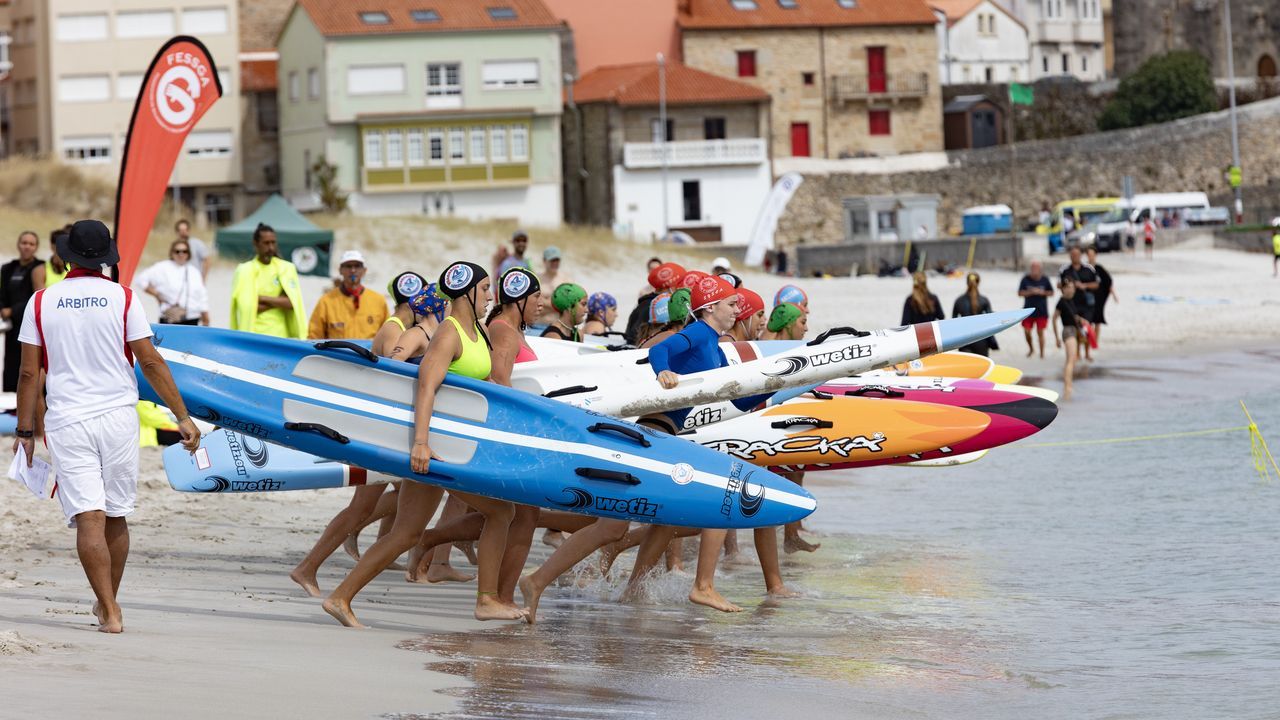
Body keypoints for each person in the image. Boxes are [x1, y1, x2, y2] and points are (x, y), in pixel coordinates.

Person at [13, 219, 200, 634]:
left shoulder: (41, 302)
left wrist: (25, 433)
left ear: (65, 256)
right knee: (116, 514)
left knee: (89, 517)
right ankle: (109, 603)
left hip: (68, 420)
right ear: (106, 259)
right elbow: (150, 361)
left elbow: (29, 375)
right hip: (117, 417)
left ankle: (110, 609)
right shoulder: (124, 298)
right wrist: (182, 416)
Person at [324, 262, 527, 628]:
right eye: (484, 290)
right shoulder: (449, 332)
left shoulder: (478, 331)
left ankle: (341, 597)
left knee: (407, 533)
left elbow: (489, 381)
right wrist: (420, 442)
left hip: (452, 445)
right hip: (437, 447)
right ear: (466, 291)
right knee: (501, 513)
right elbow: (426, 385)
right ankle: (486, 601)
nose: (489, 298)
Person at [289, 273, 434, 598]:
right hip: (379, 433)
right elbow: (387, 377)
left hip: (385, 432)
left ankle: (337, 557)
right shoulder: (397, 330)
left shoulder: (395, 325)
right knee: (361, 508)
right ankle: (308, 568)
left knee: (395, 499)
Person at [230, 223, 306, 338]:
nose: (270, 247)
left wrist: (262, 298)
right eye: (266, 243)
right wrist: (279, 300)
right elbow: (246, 307)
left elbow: (292, 303)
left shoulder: (286, 268)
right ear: (256, 244)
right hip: (254, 336)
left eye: (273, 242)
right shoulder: (245, 270)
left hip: (281, 336)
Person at [306, 250, 388, 340]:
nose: (353, 270)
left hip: (368, 353)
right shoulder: (326, 301)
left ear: (364, 271)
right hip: (337, 354)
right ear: (340, 270)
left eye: (357, 266)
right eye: (348, 266)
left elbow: (387, 334)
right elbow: (314, 337)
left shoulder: (378, 300)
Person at [1, 231, 43, 391]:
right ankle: (11, 400)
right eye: (24, 243)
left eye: (31, 244)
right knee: (10, 364)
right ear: (18, 244)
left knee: (29, 365)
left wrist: (12, 310)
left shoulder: (40, 268)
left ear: (36, 247)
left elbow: (37, 296)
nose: (27, 247)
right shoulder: (8, 268)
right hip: (10, 325)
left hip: (31, 323)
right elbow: (2, 293)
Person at [136, 239, 210, 326]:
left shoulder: (194, 271)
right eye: (177, 251)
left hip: (192, 318)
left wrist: (205, 316)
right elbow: (140, 280)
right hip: (169, 318)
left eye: (184, 251)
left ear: (188, 253)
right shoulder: (162, 267)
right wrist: (156, 294)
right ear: (172, 253)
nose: (181, 254)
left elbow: (202, 296)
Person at [625, 261, 684, 344]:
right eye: (680, 285)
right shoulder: (659, 307)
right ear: (672, 287)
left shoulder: (645, 303)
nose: (681, 289)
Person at [951, 273, 997, 357]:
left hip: (964, 340)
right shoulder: (984, 300)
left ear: (967, 283)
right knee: (982, 368)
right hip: (981, 339)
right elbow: (991, 321)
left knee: (966, 368)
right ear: (978, 282)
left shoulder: (959, 300)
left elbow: (953, 321)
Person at [1018, 260, 1054, 358]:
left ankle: (1042, 354)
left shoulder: (1045, 279)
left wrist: (1041, 292)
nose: (1034, 270)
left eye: (1036, 268)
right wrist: (1031, 292)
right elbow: (1020, 293)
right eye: (1033, 268)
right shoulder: (1025, 279)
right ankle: (1031, 349)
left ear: (1040, 269)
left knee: (1040, 333)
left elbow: (1051, 292)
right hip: (1027, 311)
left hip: (1041, 311)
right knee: (1027, 332)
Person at [1052, 279, 1081, 401]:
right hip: (1068, 331)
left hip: (1074, 330)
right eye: (1068, 287)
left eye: (1073, 287)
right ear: (1063, 289)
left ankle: (1068, 384)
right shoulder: (1061, 301)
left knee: (1071, 360)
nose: (1071, 289)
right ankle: (1068, 387)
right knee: (1071, 360)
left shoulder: (1071, 301)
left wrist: (1081, 320)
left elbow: (1073, 316)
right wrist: (1057, 338)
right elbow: (1054, 319)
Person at [1085, 247, 1117, 342]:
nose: (1091, 257)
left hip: (1099, 298)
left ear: (1095, 255)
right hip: (1087, 297)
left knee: (1098, 320)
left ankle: (1095, 341)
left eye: (1092, 254)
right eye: (1089, 254)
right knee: (1088, 320)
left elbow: (1108, 281)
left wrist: (1114, 294)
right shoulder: (1085, 268)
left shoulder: (1099, 268)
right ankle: (1089, 340)